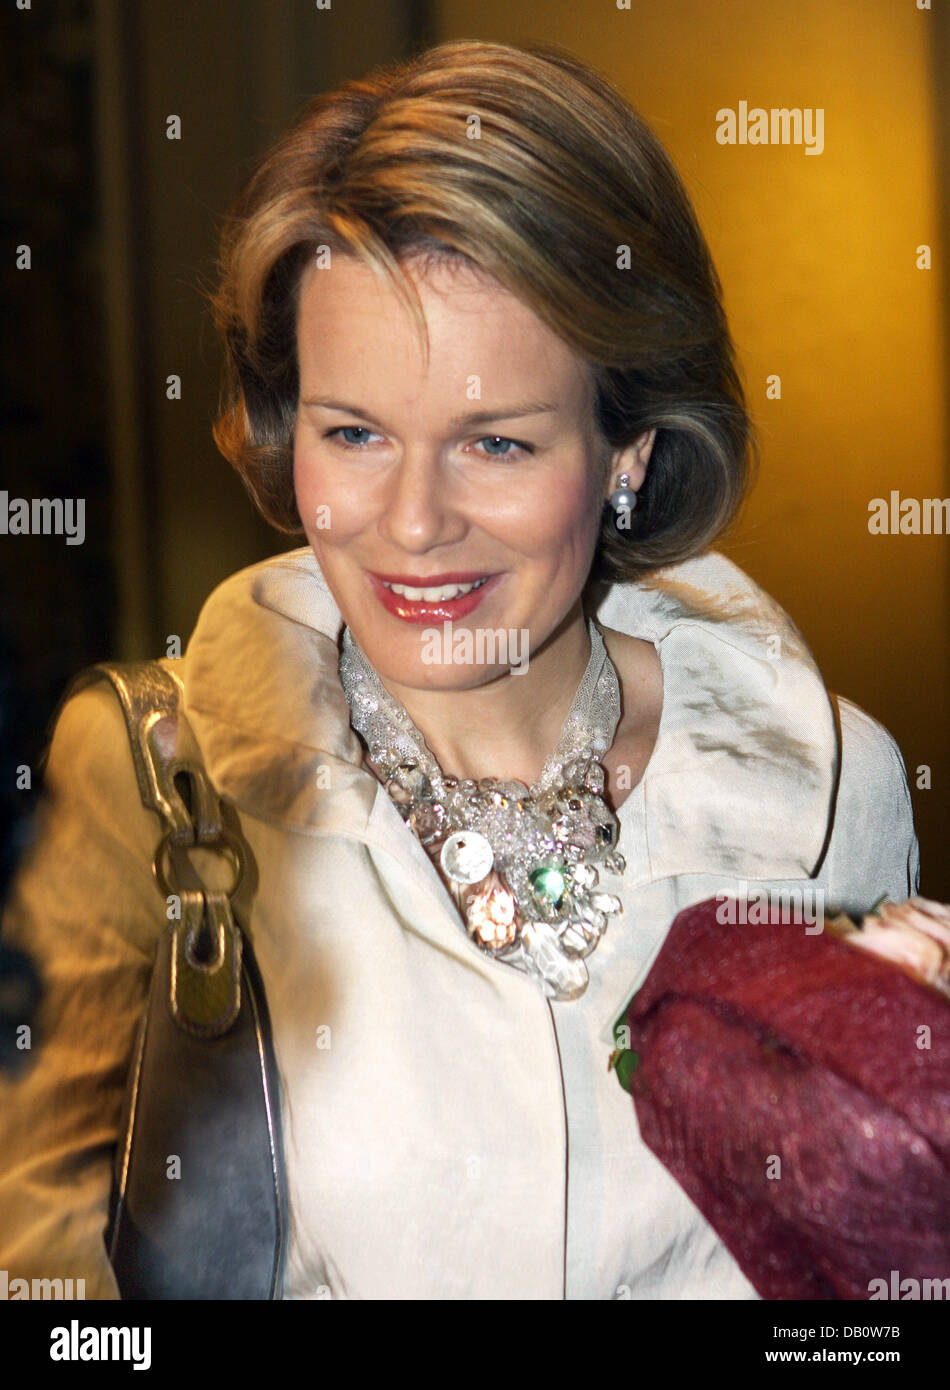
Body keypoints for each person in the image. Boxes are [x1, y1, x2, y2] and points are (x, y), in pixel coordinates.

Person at [0, 38, 923, 1300]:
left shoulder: (828, 794)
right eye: (354, 433)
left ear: (626, 451)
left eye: (494, 443)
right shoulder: (157, 787)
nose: (413, 522)